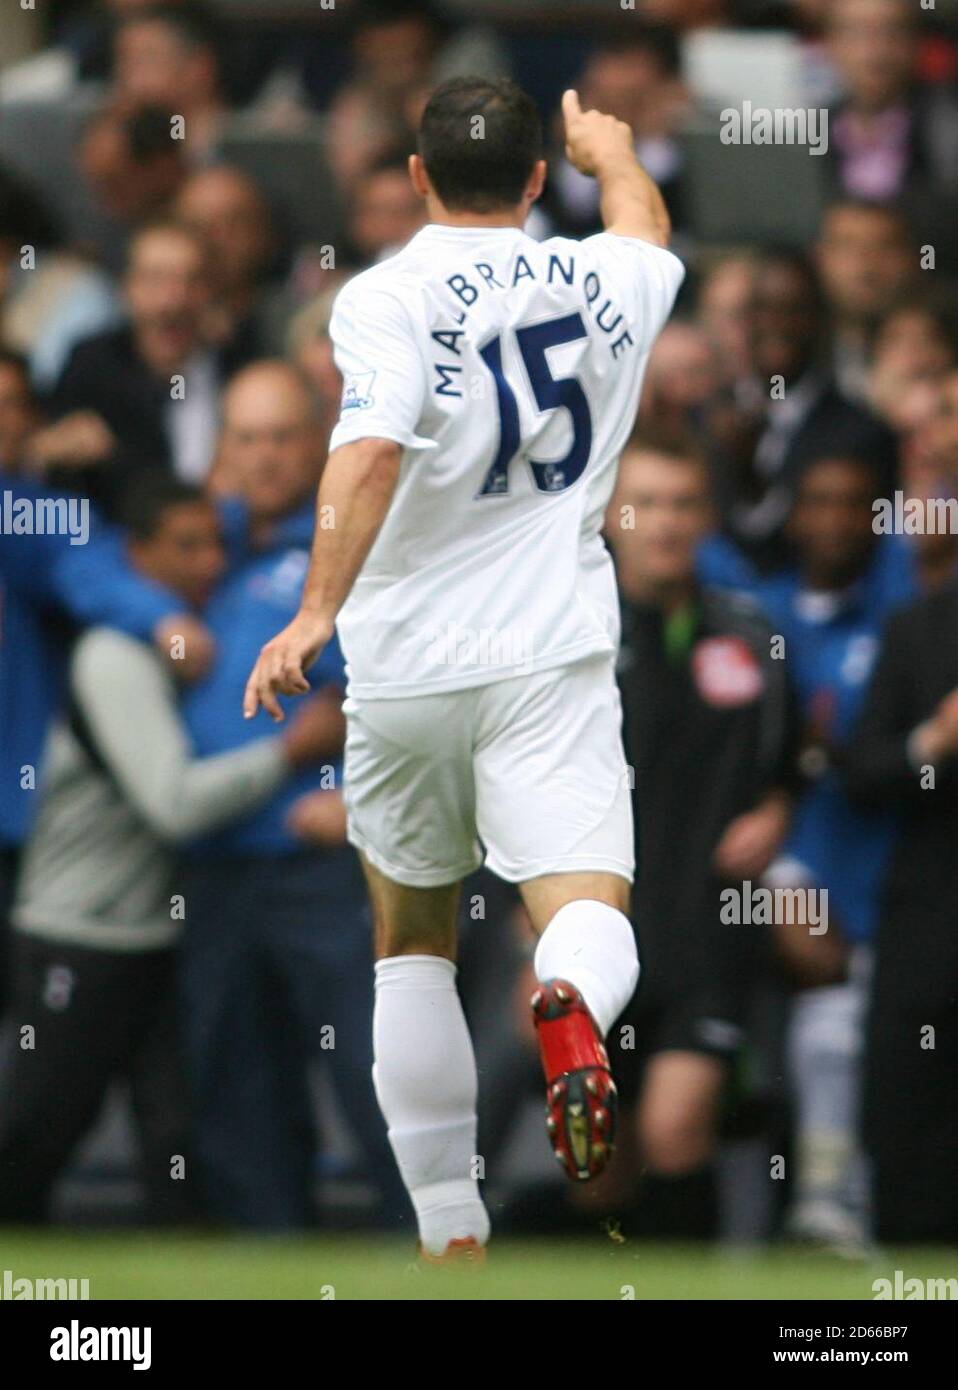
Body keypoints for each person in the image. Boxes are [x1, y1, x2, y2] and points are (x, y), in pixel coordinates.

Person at [243, 77, 685, 1259]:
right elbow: (646, 230)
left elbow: (371, 449)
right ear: (540, 178)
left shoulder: (380, 295)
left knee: (410, 943)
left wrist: (310, 614)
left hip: (404, 670)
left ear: (415, 175)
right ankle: (571, 1005)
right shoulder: (611, 277)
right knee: (588, 910)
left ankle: (448, 1230)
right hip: (550, 653)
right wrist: (616, 152)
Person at [0, 477, 336, 1223]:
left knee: (179, 1143)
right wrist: (292, 752)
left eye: (217, 542)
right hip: (80, 936)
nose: (209, 562)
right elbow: (173, 805)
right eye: (186, 545)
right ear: (139, 552)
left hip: (155, 935)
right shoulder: (117, 654)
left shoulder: (178, 639)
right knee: (33, 1137)